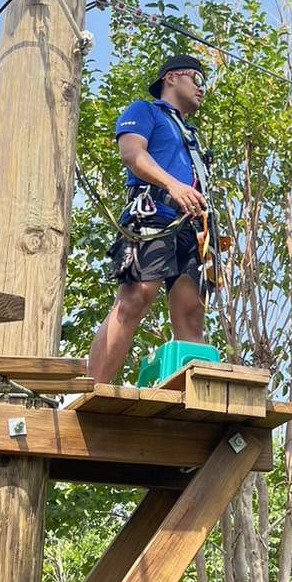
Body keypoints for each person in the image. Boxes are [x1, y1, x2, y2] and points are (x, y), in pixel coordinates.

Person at [87, 54, 210, 385]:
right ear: (172, 78)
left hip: (192, 227)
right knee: (137, 296)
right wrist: (172, 184)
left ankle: (194, 399)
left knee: (192, 310)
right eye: (197, 80)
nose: (202, 89)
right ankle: (92, 391)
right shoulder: (146, 112)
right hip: (154, 213)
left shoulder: (191, 134)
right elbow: (132, 154)